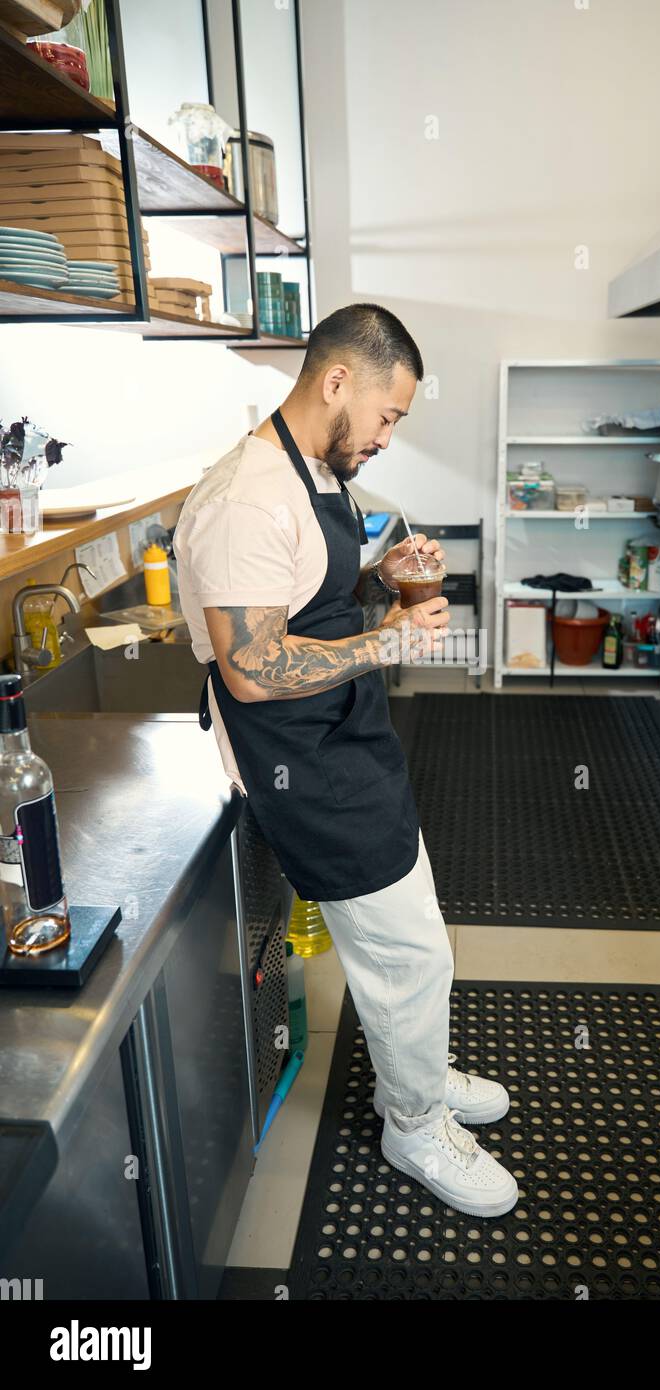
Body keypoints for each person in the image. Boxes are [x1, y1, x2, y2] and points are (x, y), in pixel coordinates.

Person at [174, 302, 518, 1218]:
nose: (387, 437)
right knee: (408, 952)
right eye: (387, 416)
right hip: (300, 762)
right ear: (336, 382)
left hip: (347, 738)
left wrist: (379, 573)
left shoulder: (316, 470)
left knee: (415, 939)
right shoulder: (246, 497)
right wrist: (390, 640)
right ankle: (413, 1127)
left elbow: (309, 590)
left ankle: (420, 1068)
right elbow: (251, 669)